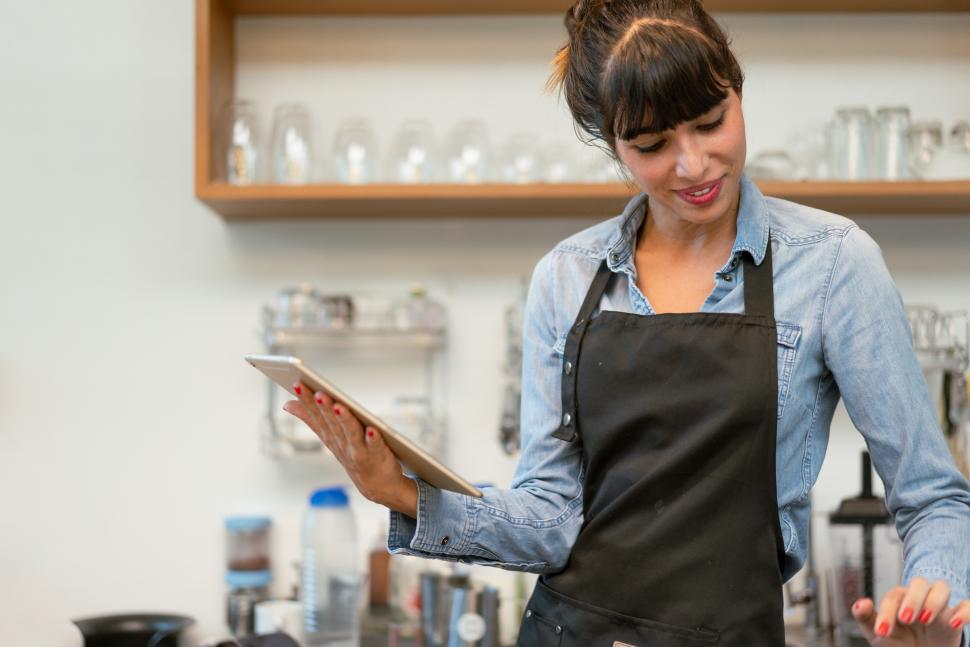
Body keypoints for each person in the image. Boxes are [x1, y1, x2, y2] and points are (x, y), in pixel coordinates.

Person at [283, 0, 970, 644]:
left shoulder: (832, 264)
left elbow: (932, 495)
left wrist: (935, 601)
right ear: (612, 145)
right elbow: (551, 517)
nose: (694, 164)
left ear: (736, 87)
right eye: (652, 144)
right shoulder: (567, 276)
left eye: (710, 122)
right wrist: (403, 491)